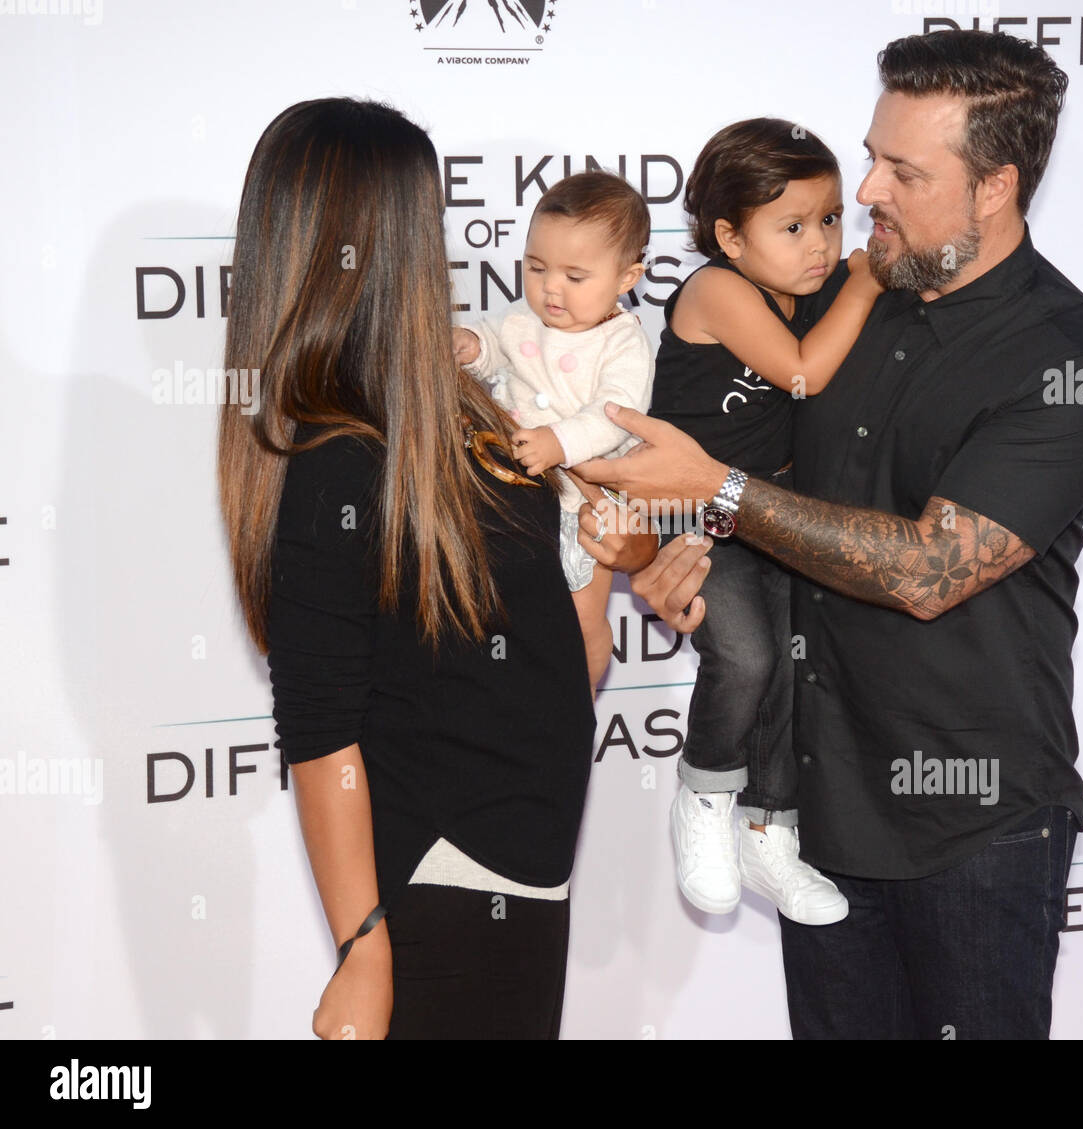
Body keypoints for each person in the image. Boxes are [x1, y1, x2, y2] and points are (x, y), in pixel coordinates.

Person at [576, 29, 1083, 1039]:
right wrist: (662, 554)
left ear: (995, 187)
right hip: (812, 815)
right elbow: (733, 470)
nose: (868, 187)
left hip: (973, 824)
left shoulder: (1068, 359)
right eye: (870, 153)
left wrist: (721, 489)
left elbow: (928, 570)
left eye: (904, 170)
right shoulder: (831, 303)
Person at [216, 97, 659, 1040]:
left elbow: (557, 635)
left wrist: (613, 559)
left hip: (525, 856)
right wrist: (364, 943)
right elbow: (320, 729)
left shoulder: (464, 401)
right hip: (445, 878)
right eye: (428, 222)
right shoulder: (336, 455)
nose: (444, 250)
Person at [648, 118, 881, 925]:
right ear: (727, 236)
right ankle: (705, 796)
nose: (819, 243)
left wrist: (852, 276)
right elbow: (802, 374)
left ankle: (770, 831)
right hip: (700, 515)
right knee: (746, 659)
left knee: (795, 666)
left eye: (830, 220)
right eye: (792, 226)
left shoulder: (808, 289)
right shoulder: (716, 290)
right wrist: (867, 278)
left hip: (777, 512)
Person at [452, 171, 654, 698]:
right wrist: (473, 345)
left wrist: (559, 442)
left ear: (627, 277)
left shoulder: (622, 343)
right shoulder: (523, 317)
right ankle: (513, 697)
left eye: (575, 276)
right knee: (514, 614)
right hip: (513, 497)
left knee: (582, 620)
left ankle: (575, 703)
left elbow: (616, 415)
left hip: (583, 509)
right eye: (536, 267)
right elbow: (497, 342)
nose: (550, 288)